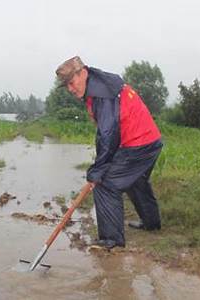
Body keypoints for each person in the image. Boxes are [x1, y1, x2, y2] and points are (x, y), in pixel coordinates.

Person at [55, 56, 163, 249]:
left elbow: (108, 134)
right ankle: (152, 224)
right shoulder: (99, 84)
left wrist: (98, 170)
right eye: (66, 86)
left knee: (106, 185)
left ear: (83, 72)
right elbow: (108, 132)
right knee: (135, 181)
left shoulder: (102, 94)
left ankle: (111, 241)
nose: (70, 89)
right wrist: (102, 164)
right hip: (150, 141)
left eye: (71, 83)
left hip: (138, 145)